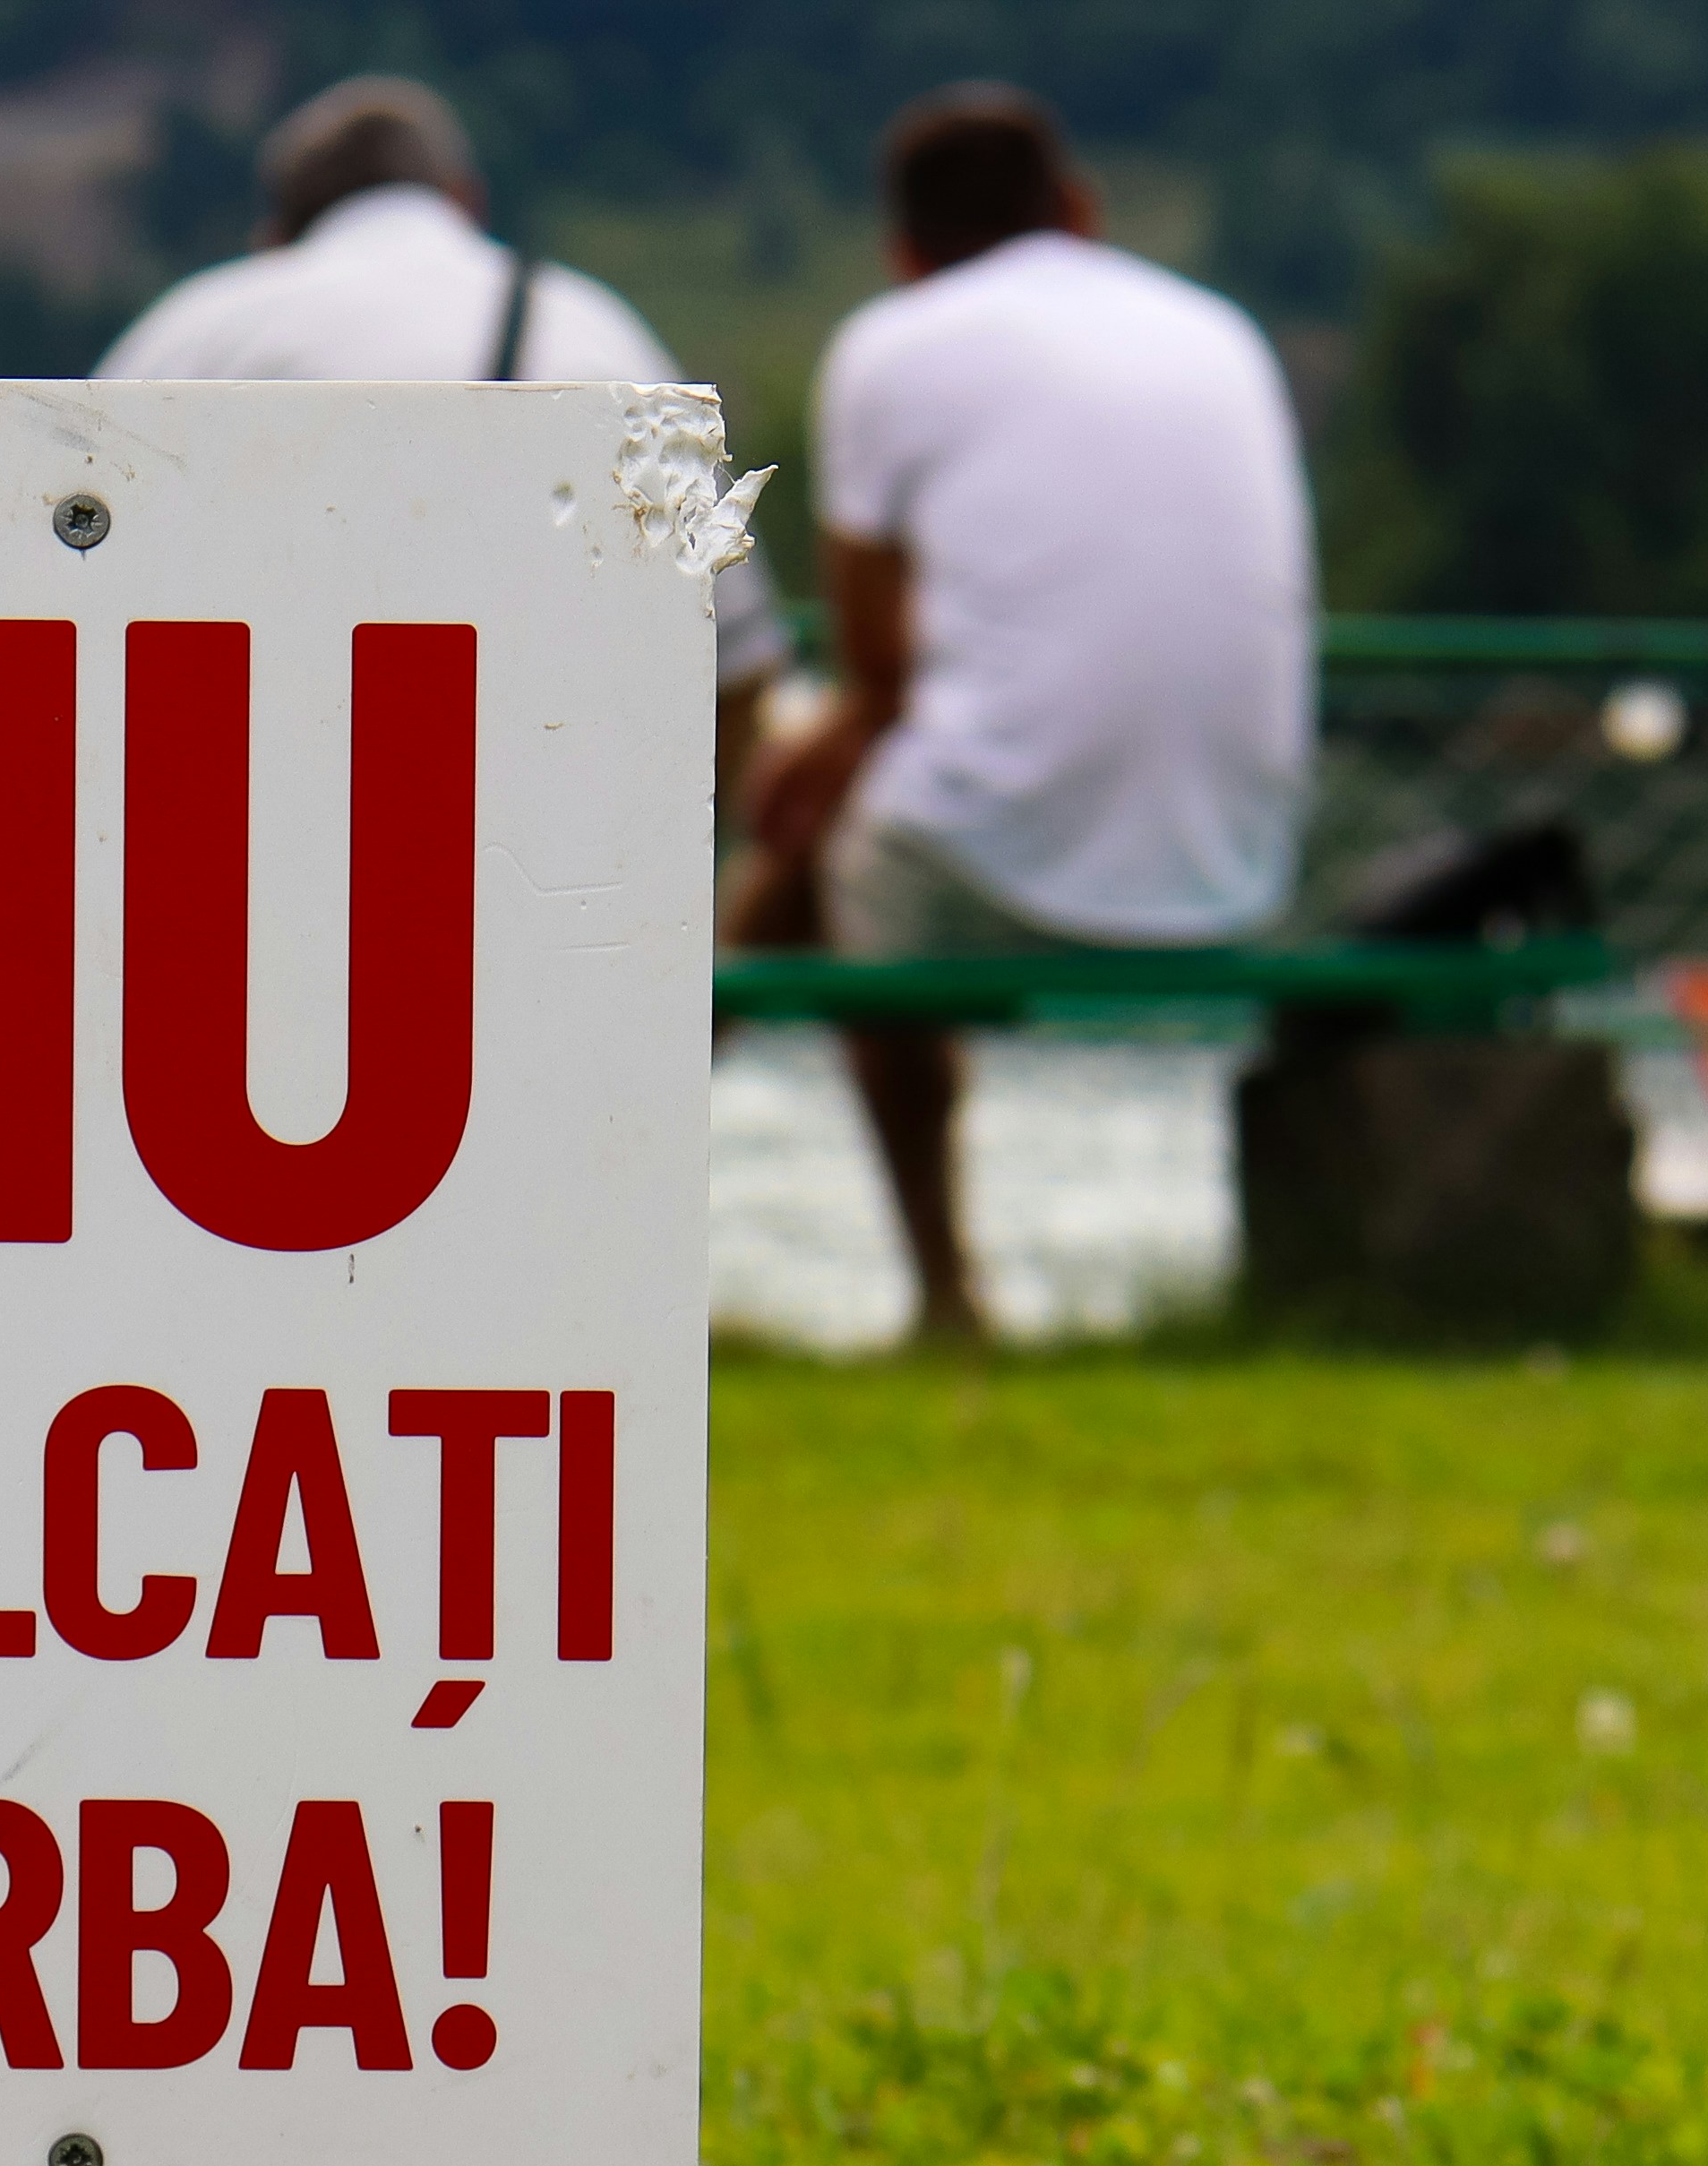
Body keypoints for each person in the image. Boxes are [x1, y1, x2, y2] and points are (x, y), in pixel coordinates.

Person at [742, 84, 1316, 1345]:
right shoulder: (1222, 332)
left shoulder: (891, 349)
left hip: (1012, 870)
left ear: (903, 254)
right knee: (839, 837)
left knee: (833, 858)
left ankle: (944, 1289)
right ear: (1081, 210)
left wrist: (804, 755)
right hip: (1241, 862)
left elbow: (878, 681)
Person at [100, 76, 788, 783]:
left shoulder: (191, 333)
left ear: (274, 236)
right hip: (542, 832)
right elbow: (735, 655)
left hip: (250, 805)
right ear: (466, 200)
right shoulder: (592, 329)